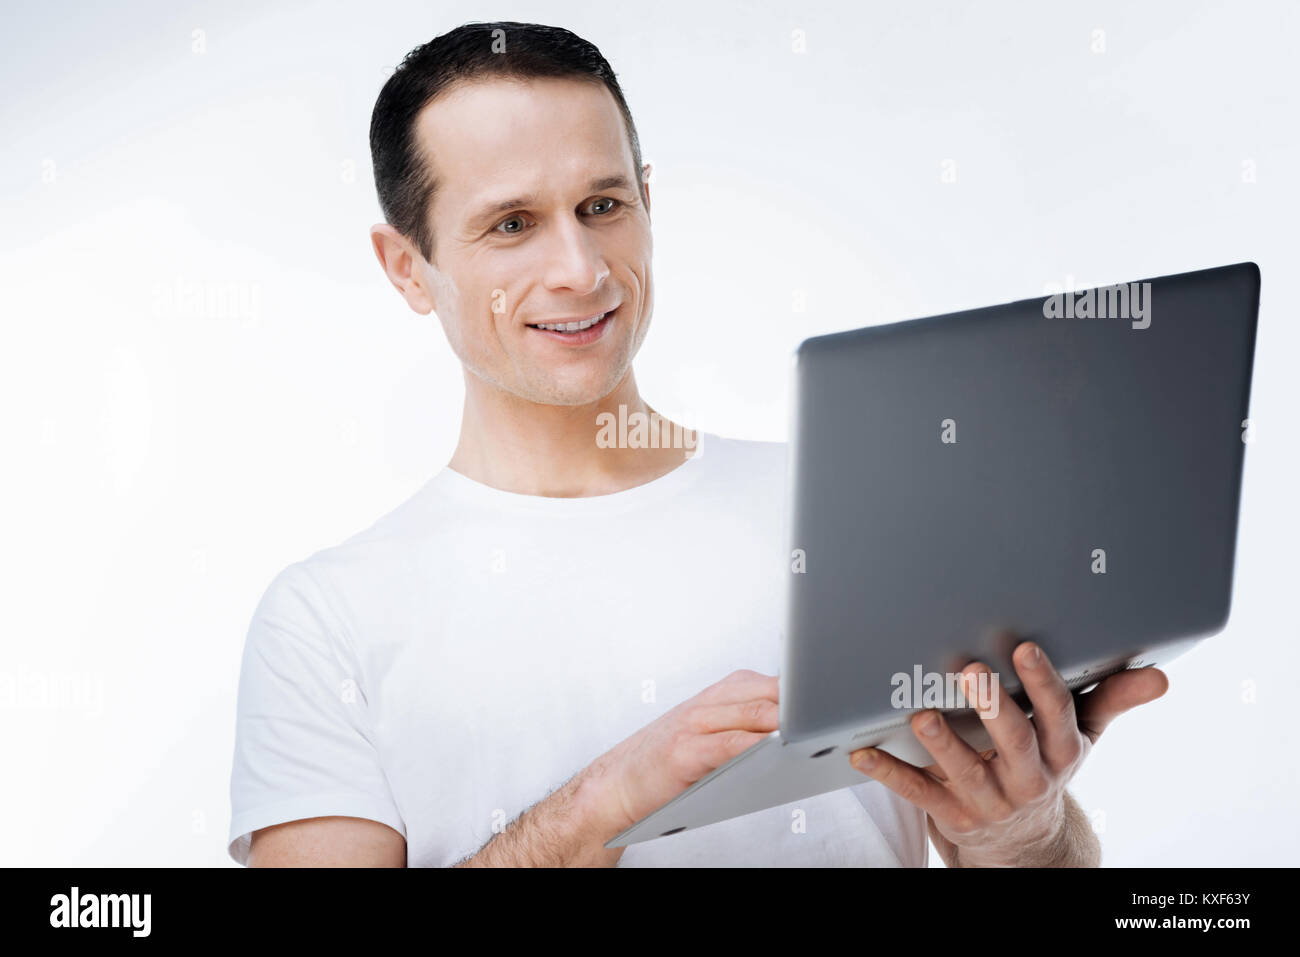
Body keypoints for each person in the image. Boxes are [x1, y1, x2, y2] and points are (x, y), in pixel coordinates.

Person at [227, 21, 1167, 867]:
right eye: (512, 225)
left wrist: (1021, 832)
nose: (581, 269)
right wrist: (604, 806)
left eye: (603, 206)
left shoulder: (861, 512)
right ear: (408, 267)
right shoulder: (327, 622)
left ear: (645, 199)